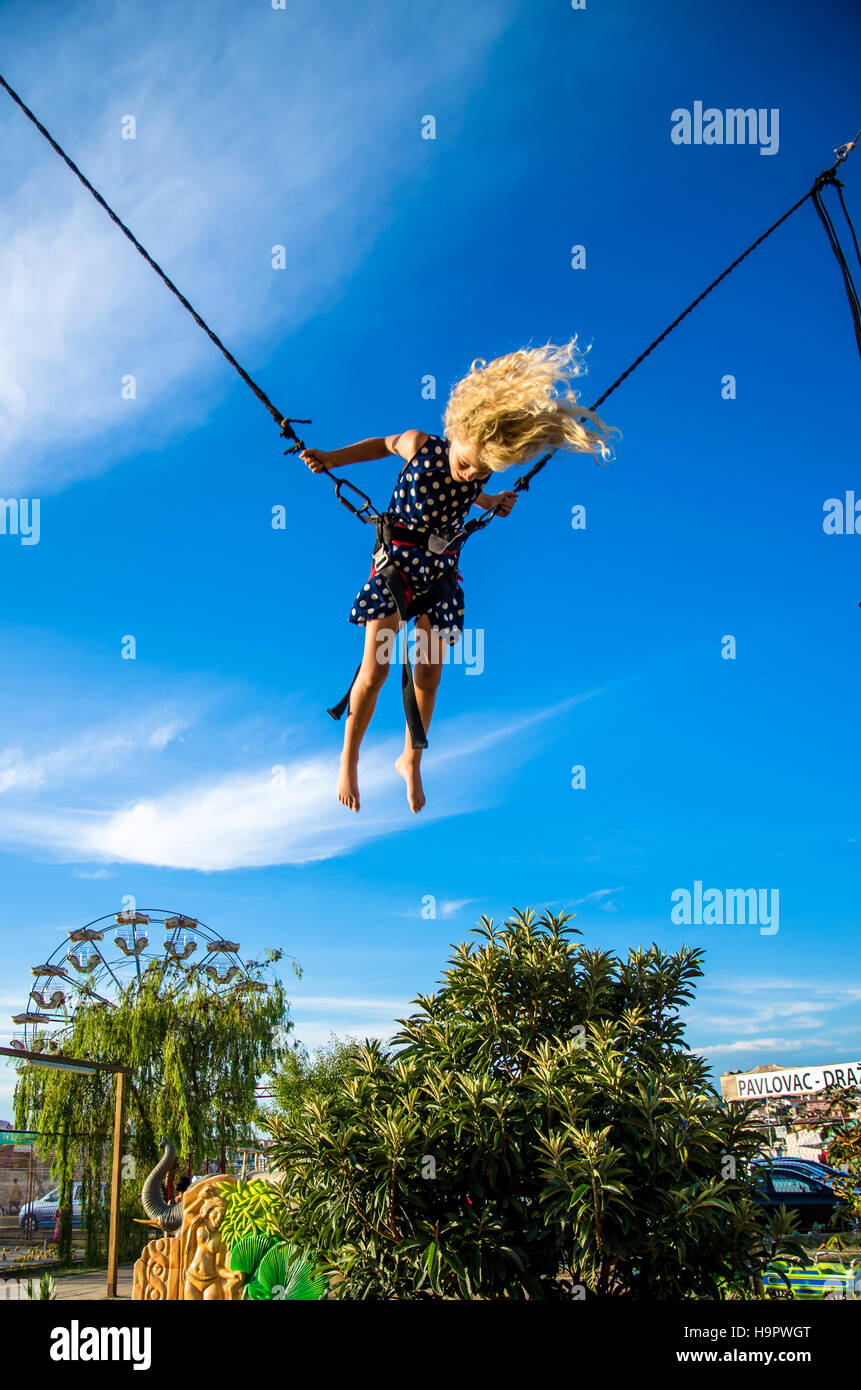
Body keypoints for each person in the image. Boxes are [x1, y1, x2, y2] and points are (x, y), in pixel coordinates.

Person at [302, 342, 615, 813]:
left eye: (484, 472)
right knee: (377, 670)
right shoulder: (421, 445)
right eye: (469, 463)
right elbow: (380, 445)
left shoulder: (481, 471)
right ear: (460, 429)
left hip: (438, 577)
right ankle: (349, 755)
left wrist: (494, 501)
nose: (472, 474)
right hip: (397, 568)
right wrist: (331, 458)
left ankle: (411, 757)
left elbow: (469, 493)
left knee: (428, 672)